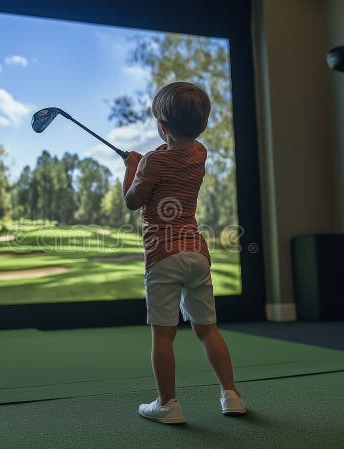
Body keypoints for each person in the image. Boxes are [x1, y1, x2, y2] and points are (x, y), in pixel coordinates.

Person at [123, 81, 246, 424]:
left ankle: (167, 404)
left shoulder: (151, 162)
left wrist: (131, 167)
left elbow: (133, 201)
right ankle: (231, 395)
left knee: (164, 333)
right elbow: (172, 159)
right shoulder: (200, 152)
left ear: (162, 126)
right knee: (208, 329)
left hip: (164, 256)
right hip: (197, 253)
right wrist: (143, 162)